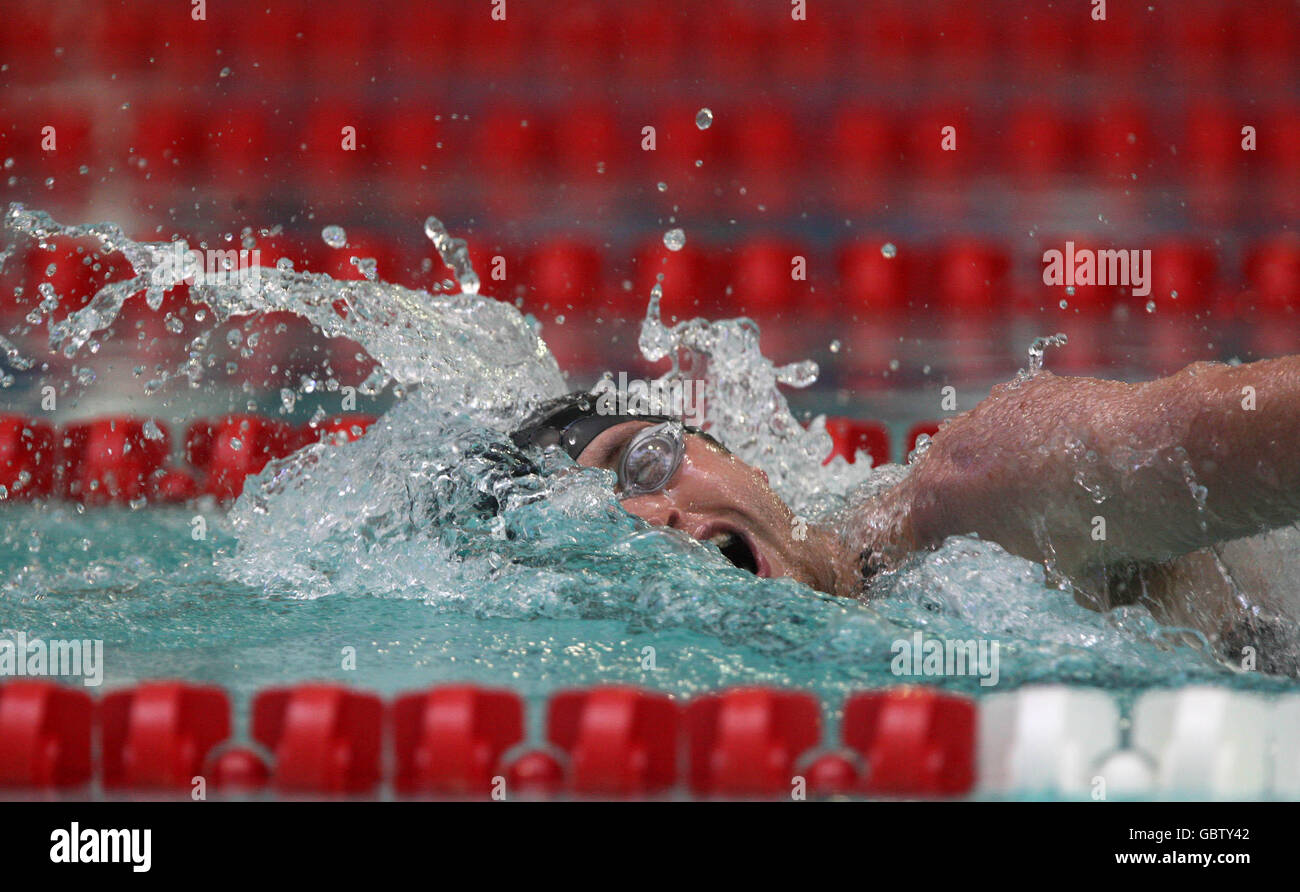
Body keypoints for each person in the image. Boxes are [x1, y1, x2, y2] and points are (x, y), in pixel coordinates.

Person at [512, 355, 1300, 674]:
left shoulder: (984, 489)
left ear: (740, 457)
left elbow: (1239, 426)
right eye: (601, 534)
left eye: (642, 462)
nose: (653, 522)